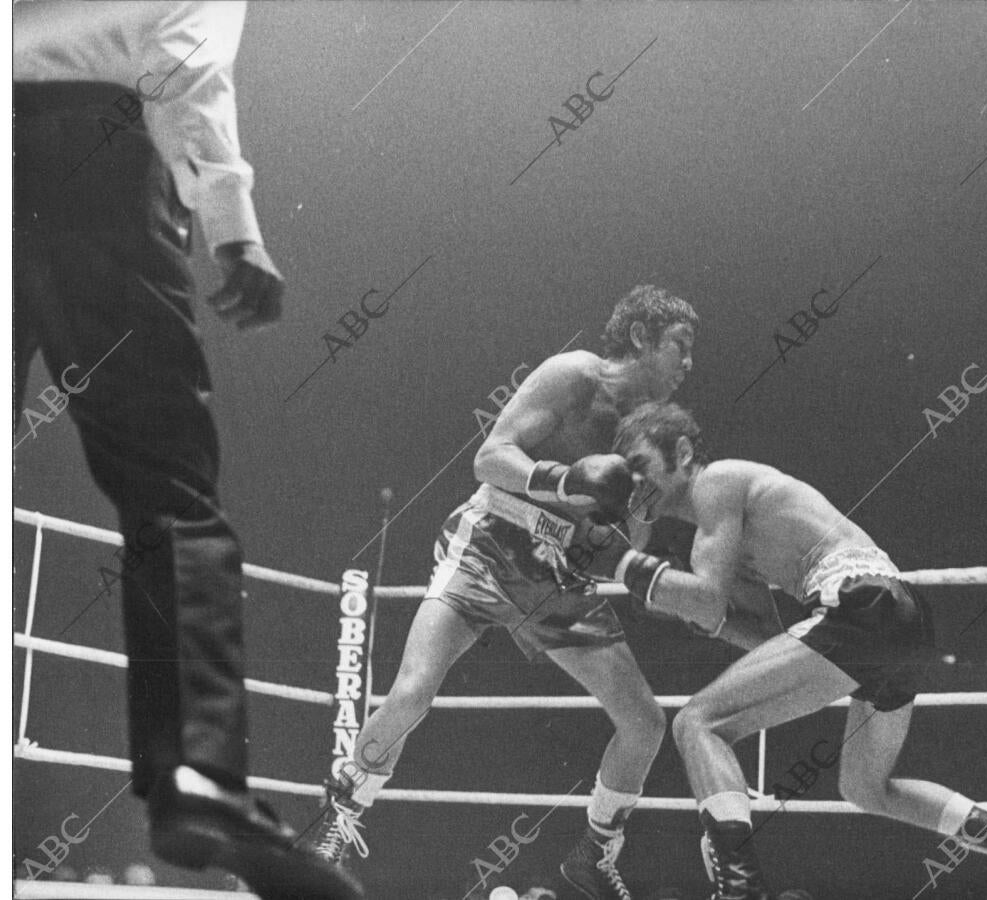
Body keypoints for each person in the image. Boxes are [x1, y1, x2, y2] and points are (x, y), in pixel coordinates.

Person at [14, 4, 360, 899]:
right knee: (168, 486)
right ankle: (199, 777)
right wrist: (232, 218)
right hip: (89, 154)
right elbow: (180, 59)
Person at [310, 286, 698, 899]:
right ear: (642, 338)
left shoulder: (644, 431)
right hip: (490, 545)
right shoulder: (573, 376)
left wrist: (643, 506)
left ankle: (595, 855)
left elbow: (626, 530)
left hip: (559, 574)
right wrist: (565, 477)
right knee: (411, 693)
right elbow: (490, 458)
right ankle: (339, 817)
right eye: (681, 344)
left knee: (645, 723)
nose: (689, 363)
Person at [600, 402, 987, 900]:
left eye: (640, 465)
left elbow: (706, 593)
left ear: (682, 453)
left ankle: (741, 888)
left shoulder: (716, 481)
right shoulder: (720, 532)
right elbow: (761, 634)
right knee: (865, 787)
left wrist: (621, 562)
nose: (632, 484)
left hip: (860, 606)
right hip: (894, 619)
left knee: (697, 722)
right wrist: (703, 617)